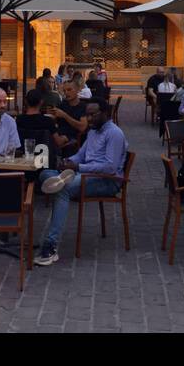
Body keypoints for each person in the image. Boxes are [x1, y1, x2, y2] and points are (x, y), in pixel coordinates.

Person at [34, 99, 128, 266]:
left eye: (93, 115)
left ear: (105, 114)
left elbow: (110, 167)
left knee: (63, 189)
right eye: (87, 115)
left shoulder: (114, 133)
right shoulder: (92, 132)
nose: (89, 119)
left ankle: (51, 246)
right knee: (44, 172)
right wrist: (68, 161)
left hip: (107, 180)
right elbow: (81, 155)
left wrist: (78, 167)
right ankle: (61, 177)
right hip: (85, 174)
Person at [15, 89, 58, 169]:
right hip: (44, 163)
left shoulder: (19, 120)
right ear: (41, 102)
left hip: (23, 162)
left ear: (25, 101)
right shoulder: (48, 121)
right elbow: (58, 141)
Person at [51, 75, 89, 157]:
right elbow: (54, 121)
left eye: (69, 90)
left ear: (78, 90)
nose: (66, 93)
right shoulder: (62, 105)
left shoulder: (82, 106)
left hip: (73, 138)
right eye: (64, 91)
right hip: (60, 134)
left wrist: (65, 116)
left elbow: (82, 127)